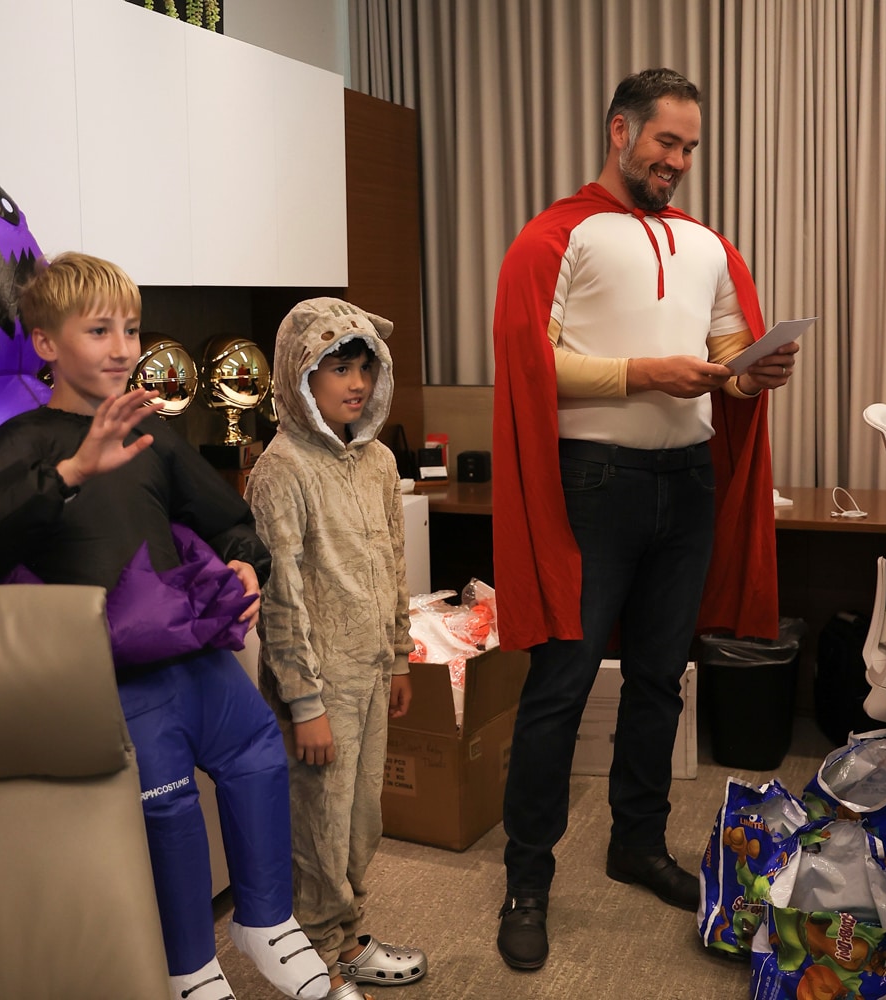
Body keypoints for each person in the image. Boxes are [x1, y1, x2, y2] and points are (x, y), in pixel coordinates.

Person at [0, 252, 330, 1000]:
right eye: (99, 329)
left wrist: (246, 565)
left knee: (258, 754)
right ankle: (189, 968)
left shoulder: (156, 435)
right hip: (113, 673)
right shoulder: (26, 442)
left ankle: (266, 922)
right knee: (168, 808)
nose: (122, 348)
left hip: (192, 652)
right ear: (45, 344)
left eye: (132, 329)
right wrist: (71, 473)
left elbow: (231, 521)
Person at [491, 68, 799, 971]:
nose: (678, 161)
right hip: (593, 483)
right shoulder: (558, 234)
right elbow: (529, 365)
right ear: (620, 130)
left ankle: (637, 842)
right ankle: (527, 876)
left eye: (691, 147)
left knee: (663, 676)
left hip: (688, 482)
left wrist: (755, 374)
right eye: (666, 141)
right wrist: (639, 374)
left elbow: (729, 360)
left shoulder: (706, 244)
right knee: (562, 683)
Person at [245, 298, 427, 1000]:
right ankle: (319, 959)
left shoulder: (378, 460)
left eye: (363, 368)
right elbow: (281, 598)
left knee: (361, 823)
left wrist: (401, 653)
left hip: (372, 671)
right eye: (337, 368)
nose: (355, 383)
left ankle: (345, 935)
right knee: (316, 827)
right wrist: (304, 702)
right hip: (316, 684)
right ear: (301, 375)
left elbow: (394, 558)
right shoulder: (281, 469)